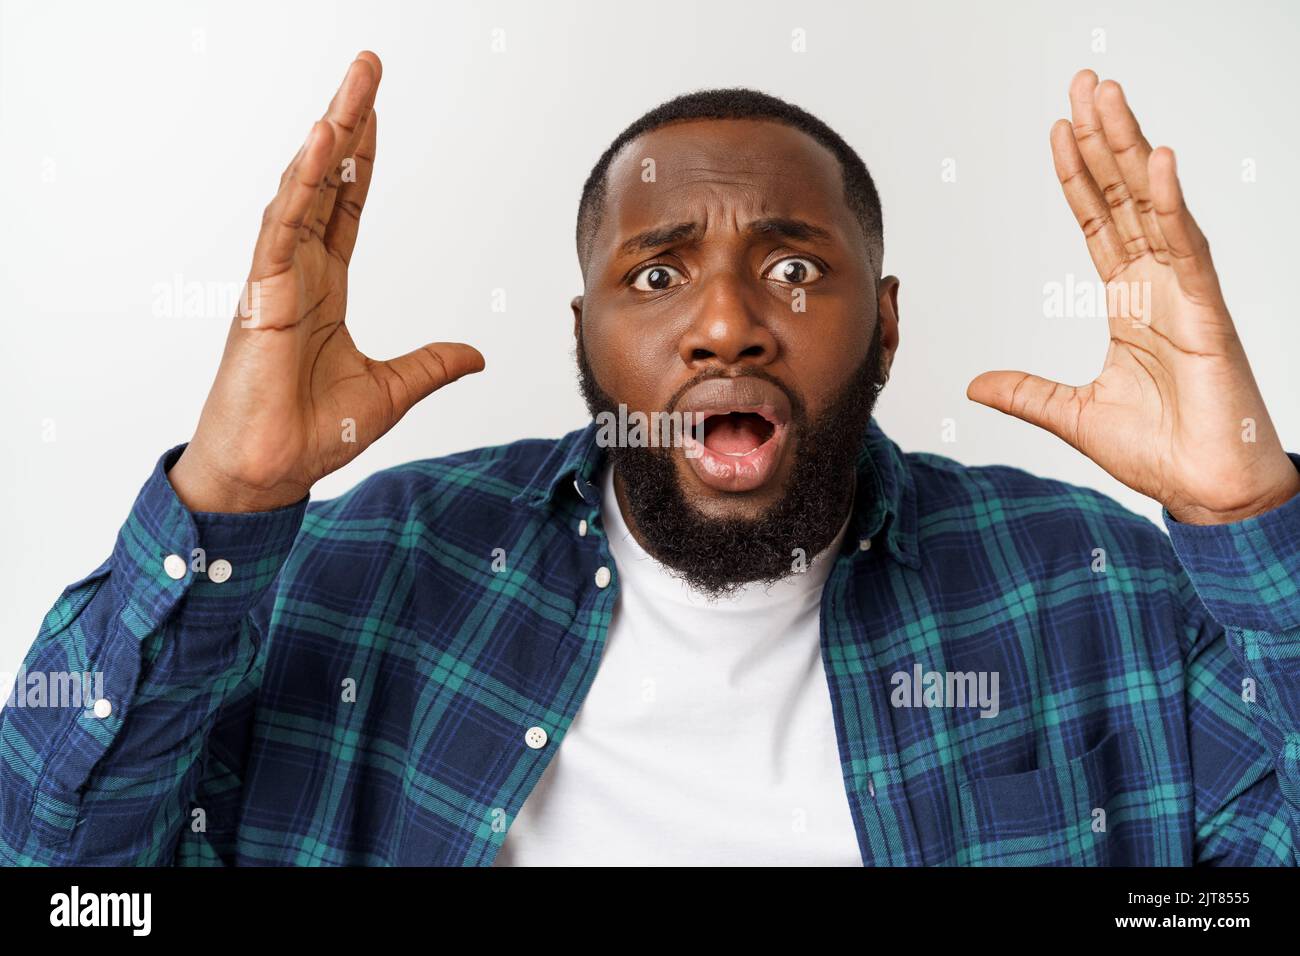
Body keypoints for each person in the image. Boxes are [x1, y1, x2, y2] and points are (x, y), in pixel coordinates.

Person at [2, 51, 1297, 866]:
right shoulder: (361, 570)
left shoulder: (1098, 591)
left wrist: (1251, 514)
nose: (727, 321)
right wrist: (221, 505)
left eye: (794, 267)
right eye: (659, 272)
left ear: (885, 323)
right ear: (586, 331)